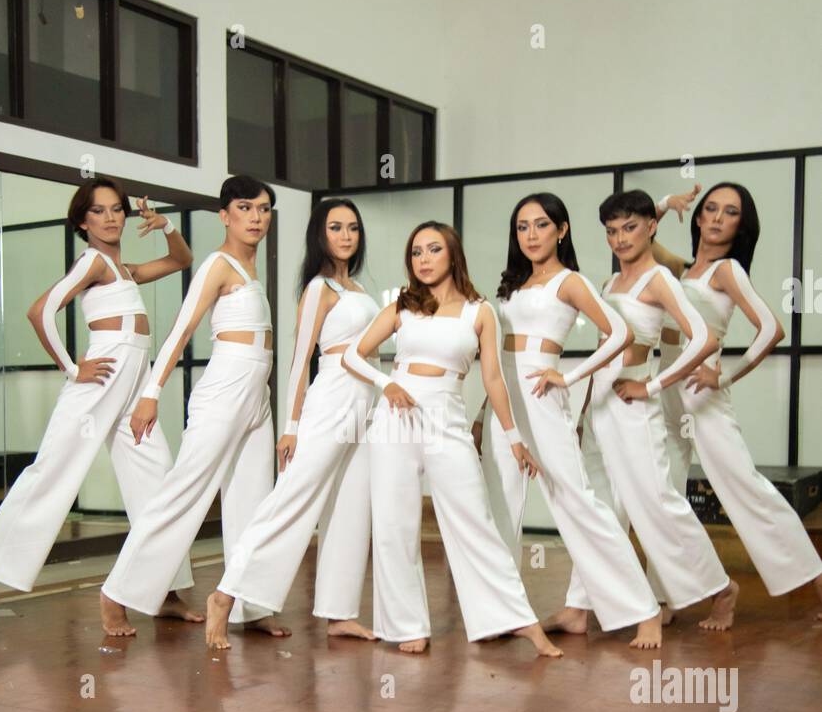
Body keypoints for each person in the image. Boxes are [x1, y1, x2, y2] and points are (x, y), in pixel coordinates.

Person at [0, 180, 196, 628]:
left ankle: (163, 591)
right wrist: (72, 368)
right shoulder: (92, 261)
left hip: (134, 385)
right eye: (99, 211)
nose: (110, 218)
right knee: (51, 475)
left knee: (157, 483)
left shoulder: (122, 268)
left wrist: (166, 225)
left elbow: (182, 260)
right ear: (82, 221)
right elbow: (40, 310)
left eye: (117, 210)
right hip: (99, 381)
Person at [341, 221, 562, 658]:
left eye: (433, 250)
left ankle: (517, 621)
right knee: (393, 523)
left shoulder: (479, 311)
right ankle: (407, 626)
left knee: (474, 519)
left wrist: (515, 438)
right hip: (396, 415)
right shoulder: (402, 306)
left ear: (452, 254)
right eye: (416, 252)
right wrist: (385, 384)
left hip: (447, 416)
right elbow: (351, 355)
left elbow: (495, 379)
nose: (423, 259)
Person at [542, 189, 739, 633]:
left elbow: (703, 339)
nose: (620, 238)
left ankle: (722, 591)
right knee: (599, 505)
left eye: (630, 227)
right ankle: (579, 605)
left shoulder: (659, 280)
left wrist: (651, 384)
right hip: (600, 405)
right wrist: (584, 408)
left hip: (634, 408)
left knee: (657, 502)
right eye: (612, 231)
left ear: (652, 226)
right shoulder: (611, 284)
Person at [474, 192, 663, 648]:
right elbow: (497, 362)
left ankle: (646, 611)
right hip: (506, 406)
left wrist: (569, 377)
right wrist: (485, 411)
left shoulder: (570, 281)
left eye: (541, 225)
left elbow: (622, 333)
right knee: (500, 507)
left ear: (561, 231)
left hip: (542, 400)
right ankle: (507, 612)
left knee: (577, 502)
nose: (531, 235)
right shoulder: (511, 287)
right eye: (522, 226)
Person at [100, 175, 285, 637]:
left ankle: (248, 606)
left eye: (263, 209)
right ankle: (116, 594)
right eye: (246, 208)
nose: (256, 217)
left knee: (254, 501)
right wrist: (150, 394)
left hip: (257, 391)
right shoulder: (218, 265)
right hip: (224, 388)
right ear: (225, 216)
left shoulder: (254, 269)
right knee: (185, 491)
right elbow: (182, 330)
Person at [205, 198, 380, 650]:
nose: (345, 236)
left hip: (366, 403)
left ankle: (340, 613)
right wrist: (291, 425)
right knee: (292, 500)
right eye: (336, 227)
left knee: (351, 506)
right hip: (332, 398)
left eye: (353, 228)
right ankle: (226, 596)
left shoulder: (360, 290)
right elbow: (301, 360)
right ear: (320, 235)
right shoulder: (318, 289)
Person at [650, 181, 822, 619]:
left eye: (729, 212)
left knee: (744, 487)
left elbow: (771, 328)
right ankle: (672, 595)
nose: (715, 218)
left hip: (700, 395)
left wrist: (723, 376)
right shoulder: (681, 270)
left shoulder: (727, 271)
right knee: (665, 491)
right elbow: (638, 231)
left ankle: (817, 579)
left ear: (742, 226)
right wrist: (668, 202)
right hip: (666, 388)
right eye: (710, 208)